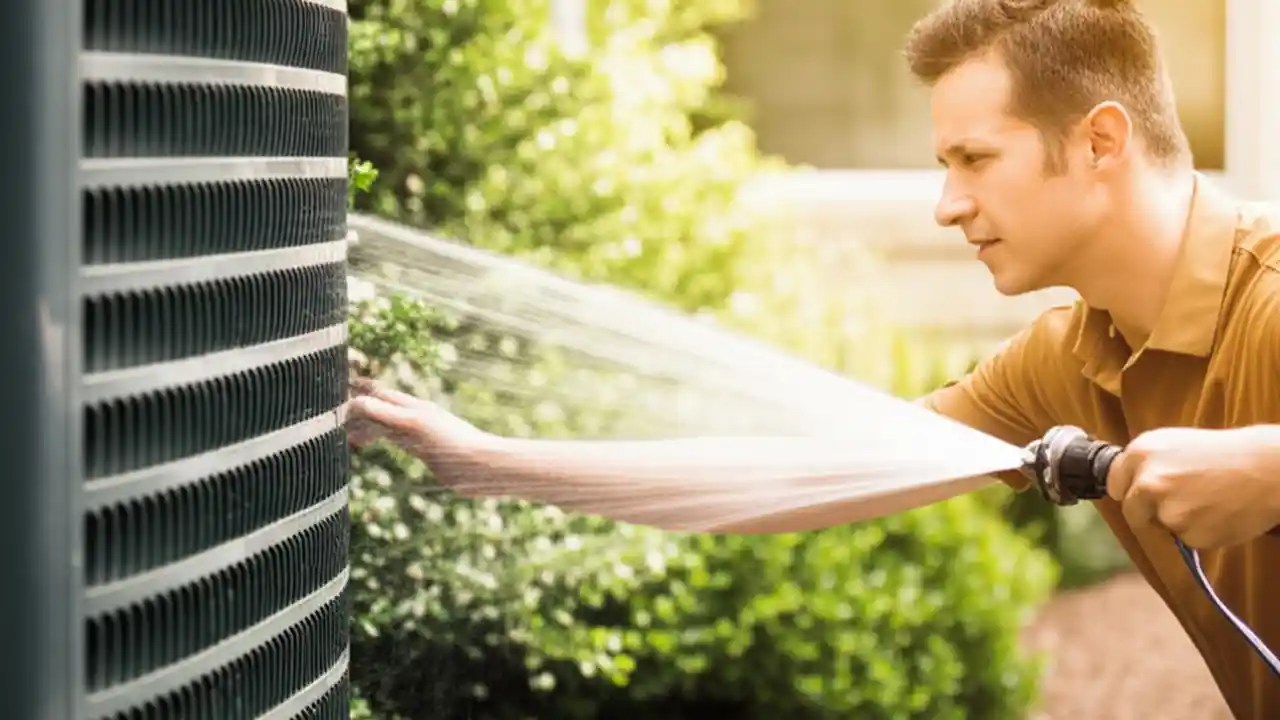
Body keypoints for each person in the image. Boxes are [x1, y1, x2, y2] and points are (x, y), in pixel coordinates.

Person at [347, 0, 1280, 716]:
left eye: (975, 158)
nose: (946, 205)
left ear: (1100, 142)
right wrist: (481, 461)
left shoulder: (1271, 301)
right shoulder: (1064, 360)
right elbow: (794, 476)